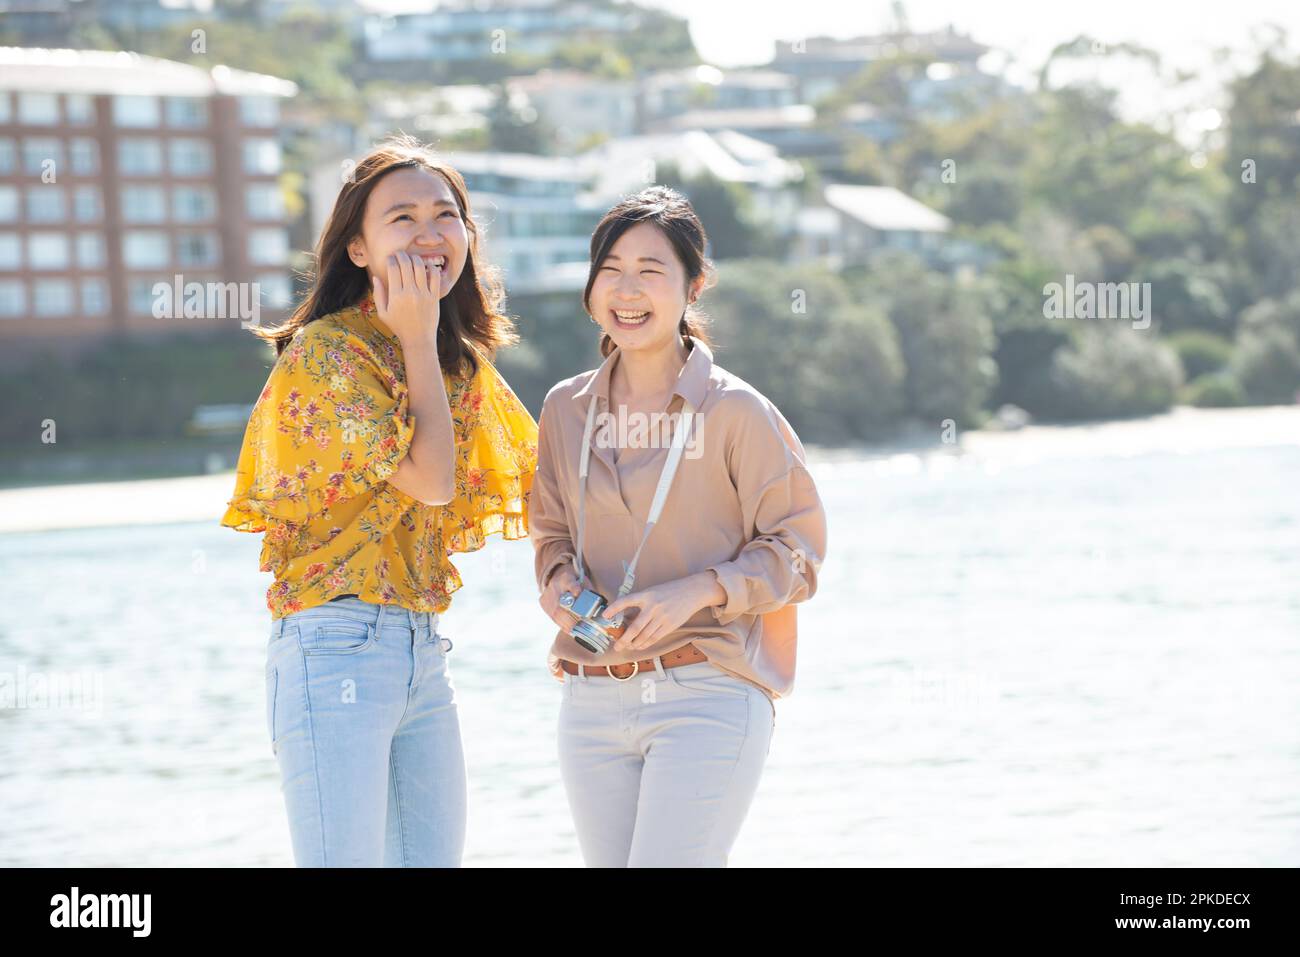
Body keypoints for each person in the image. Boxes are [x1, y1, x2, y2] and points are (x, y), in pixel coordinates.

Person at [220, 133, 537, 867]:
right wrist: (419, 341)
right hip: (332, 651)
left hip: (423, 652)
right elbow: (432, 479)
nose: (431, 233)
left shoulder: (458, 363)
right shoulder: (329, 354)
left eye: (446, 214)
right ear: (357, 248)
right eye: (403, 218)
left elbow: (542, 477)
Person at [529, 186, 828, 867]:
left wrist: (696, 591)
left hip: (709, 693)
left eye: (650, 269)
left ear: (694, 285)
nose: (627, 288)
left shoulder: (737, 412)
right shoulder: (563, 409)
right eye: (611, 267)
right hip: (591, 697)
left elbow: (800, 552)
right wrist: (557, 583)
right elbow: (548, 530)